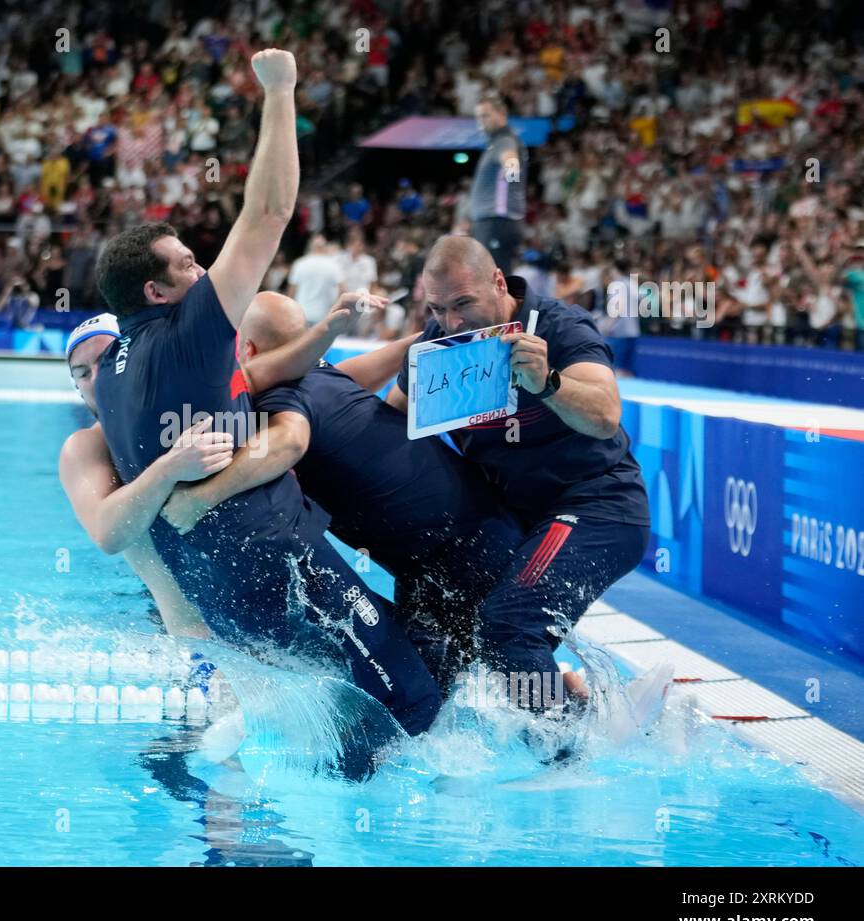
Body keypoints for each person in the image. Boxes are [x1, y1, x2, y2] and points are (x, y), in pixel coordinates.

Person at [91, 49, 445, 753]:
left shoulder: (112, 372)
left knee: (353, 692)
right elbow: (271, 210)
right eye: (189, 264)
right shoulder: (189, 331)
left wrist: (334, 333)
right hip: (276, 560)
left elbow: (250, 380)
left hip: (218, 586)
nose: (205, 269)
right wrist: (280, 91)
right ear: (157, 293)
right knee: (412, 697)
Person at [161, 291, 590, 708]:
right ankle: (575, 695)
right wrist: (423, 337)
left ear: (247, 349)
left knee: (438, 687)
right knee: (444, 676)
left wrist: (200, 499)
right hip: (460, 536)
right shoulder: (323, 373)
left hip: (457, 549)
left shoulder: (281, 398)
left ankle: (576, 728)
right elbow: (377, 366)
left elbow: (288, 443)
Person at [383, 236, 650, 710]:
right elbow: (392, 422)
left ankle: (564, 754)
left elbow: (606, 413)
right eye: (438, 309)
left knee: (510, 624)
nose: (454, 322)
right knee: (435, 626)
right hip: (514, 520)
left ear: (499, 283)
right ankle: (576, 704)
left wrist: (548, 383)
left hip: (596, 507)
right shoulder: (438, 347)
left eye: (463, 303)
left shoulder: (560, 327)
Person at [58, 314, 226, 638]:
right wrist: (170, 468)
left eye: (104, 361)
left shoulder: (196, 404)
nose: (95, 379)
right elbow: (108, 534)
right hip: (180, 620)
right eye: (82, 373)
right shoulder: (86, 448)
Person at [469, 93, 527, 274]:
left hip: (497, 220)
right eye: (478, 116)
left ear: (502, 114)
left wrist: (510, 191)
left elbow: (512, 165)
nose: (481, 121)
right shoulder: (495, 143)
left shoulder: (504, 141)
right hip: (492, 221)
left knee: (496, 278)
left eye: (485, 115)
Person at [286, 234, 343, 325]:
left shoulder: (299, 264)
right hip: (324, 317)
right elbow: (342, 291)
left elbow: (291, 294)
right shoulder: (333, 265)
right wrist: (334, 310)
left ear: (310, 246)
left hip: (302, 315)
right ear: (324, 247)